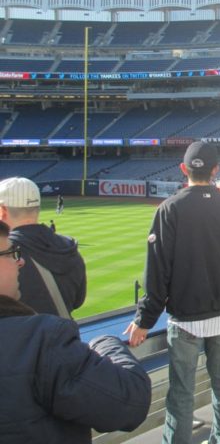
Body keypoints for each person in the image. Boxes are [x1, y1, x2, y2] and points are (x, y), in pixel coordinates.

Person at [125, 141, 220, 444]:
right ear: (216, 170)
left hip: (185, 319)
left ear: (183, 169)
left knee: (181, 393)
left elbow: (157, 270)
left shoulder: (170, 208)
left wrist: (144, 319)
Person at [0, 219, 152, 443]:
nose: (20, 261)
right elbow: (130, 403)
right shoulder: (42, 340)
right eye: (11, 253)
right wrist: (106, 342)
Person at [0, 177, 85, 317]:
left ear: (2, 211)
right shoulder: (68, 246)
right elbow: (78, 301)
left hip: (22, 336)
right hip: (62, 334)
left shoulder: (5, 253)